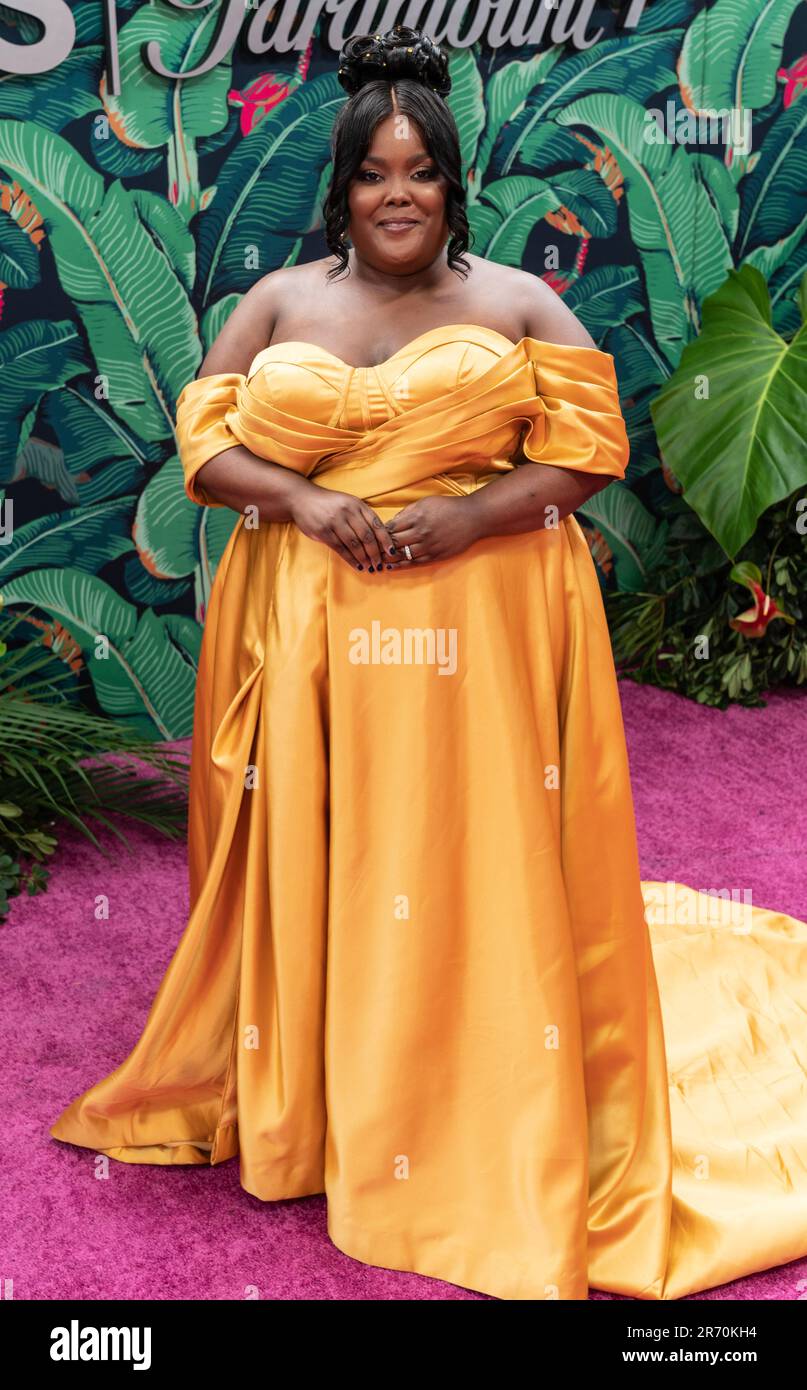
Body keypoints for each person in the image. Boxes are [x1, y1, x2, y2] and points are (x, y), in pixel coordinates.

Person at [51, 25, 807, 1302]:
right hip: (312, 624)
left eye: (420, 171)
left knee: (458, 842)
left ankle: (478, 1062)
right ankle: (330, 1076)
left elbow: (593, 445)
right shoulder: (280, 303)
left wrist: (477, 511)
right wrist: (297, 497)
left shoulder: (514, 299)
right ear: (339, 184)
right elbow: (203, 445)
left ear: (454, 184)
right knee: (337, 839)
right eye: (372, 172)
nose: (397, 194)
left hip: (475, 627)